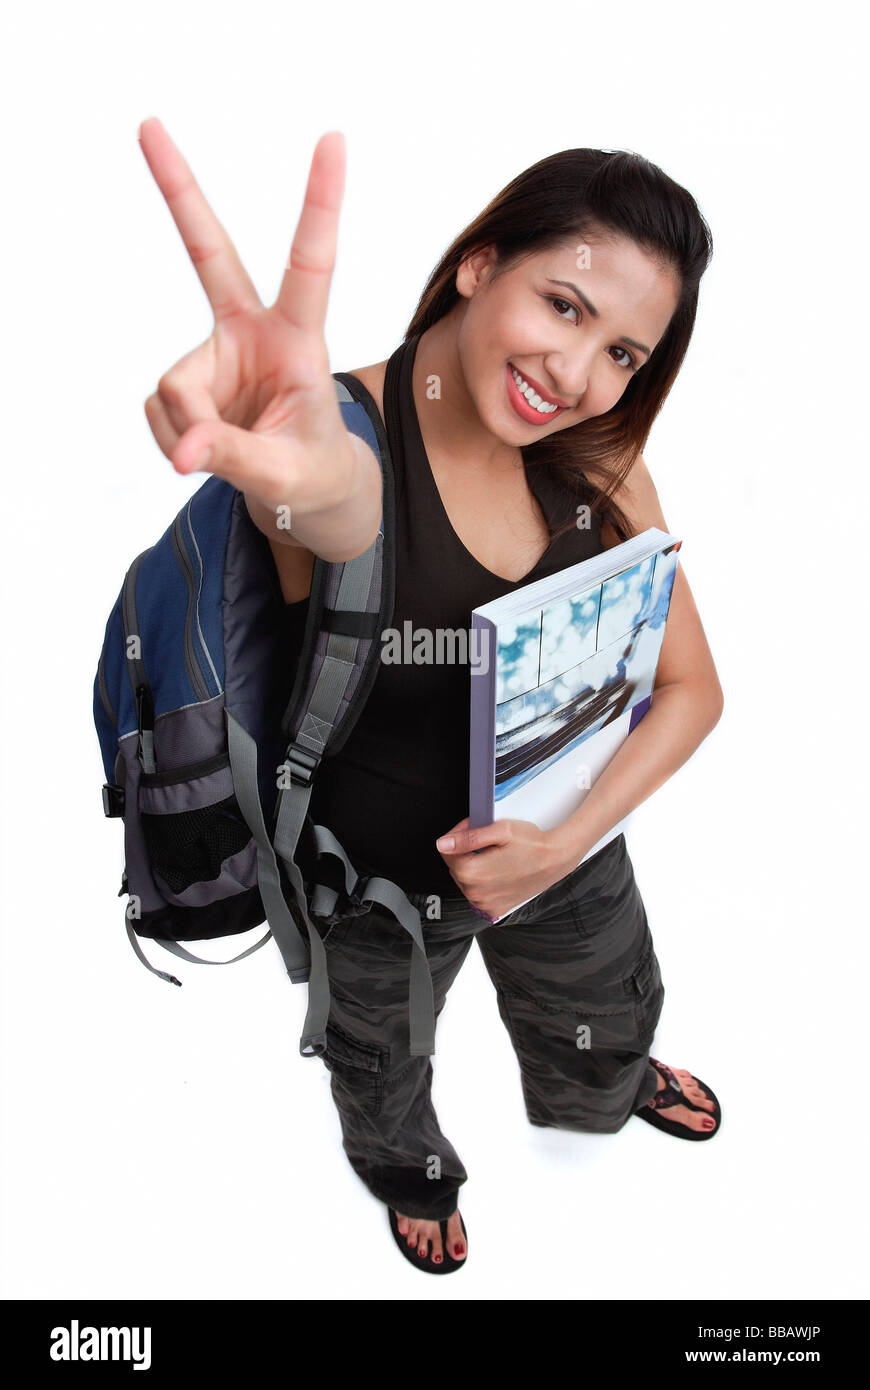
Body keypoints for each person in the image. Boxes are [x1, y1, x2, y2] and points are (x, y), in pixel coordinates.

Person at [137, 118, 725, 1274]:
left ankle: (602, 1081)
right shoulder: (337, 442)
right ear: (479, 263)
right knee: (380, 1059)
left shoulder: (599, 459)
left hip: (568, 836)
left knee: (603, 1001)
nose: (578, 373)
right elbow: (329, 499)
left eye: (623, 354)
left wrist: (562, 847)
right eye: (564, 305)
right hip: (378, 887)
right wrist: (285, 463)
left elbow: (693, 688)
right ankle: (408, 1171)